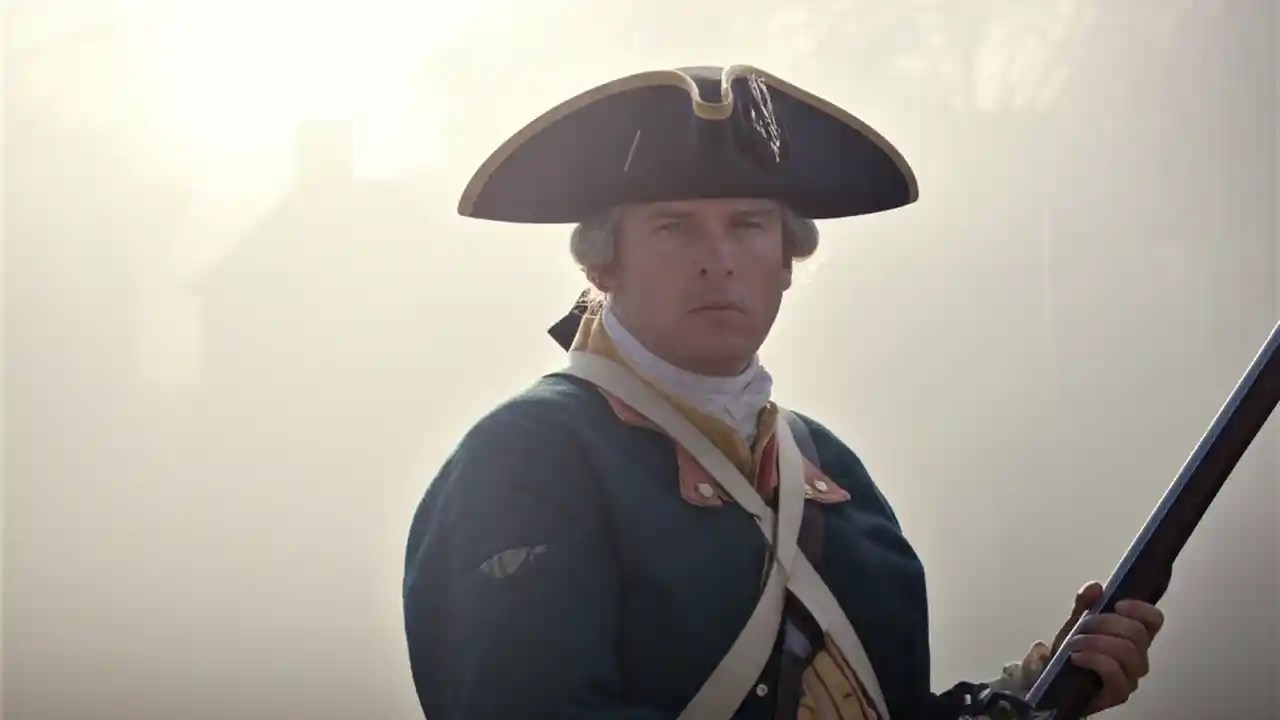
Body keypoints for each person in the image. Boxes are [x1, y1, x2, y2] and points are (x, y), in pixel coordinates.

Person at [401, 65, 1166, 719]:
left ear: (787, 259)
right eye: (674, 227)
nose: (719, 260)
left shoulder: (827, 467)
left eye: (748, 224)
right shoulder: (524, 459)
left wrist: (1042, 689)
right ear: (603, 265)